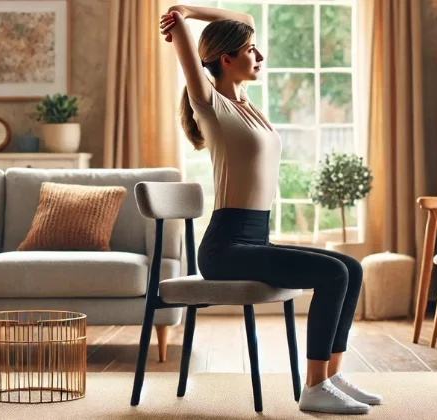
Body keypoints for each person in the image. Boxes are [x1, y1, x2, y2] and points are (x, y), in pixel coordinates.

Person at [160, 5, 381, 415]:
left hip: (253, 238)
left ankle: (330, 376)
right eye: (251, 51)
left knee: (352, 267)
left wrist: (194, 8)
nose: (260, 57)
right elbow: (193, 55)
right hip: (225, 248)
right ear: (226, 60)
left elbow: (243, 17)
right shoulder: (212, 107)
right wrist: (183, 19)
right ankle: (314, 388)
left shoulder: (246, 105)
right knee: (332, 273)